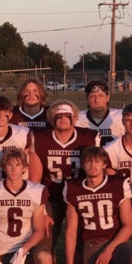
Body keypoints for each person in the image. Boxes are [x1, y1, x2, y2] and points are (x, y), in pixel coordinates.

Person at [33, 100, 99, 250]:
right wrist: (41, 210)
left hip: (80, 197)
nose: (63, 118)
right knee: (45, 243)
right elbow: (35, 180)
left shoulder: (89, 138)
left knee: (84, 242)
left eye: (67, 115)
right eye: (59, 115)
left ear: (75, 118)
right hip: (51, 196)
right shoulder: (40, 139)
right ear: (51, 119)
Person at [75, 80, 124, 146]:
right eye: (92, 96)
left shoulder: (121, 117)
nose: (96, 100)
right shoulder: (77, 119)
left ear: (107, 98)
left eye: (100, 96)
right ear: (87, 99)